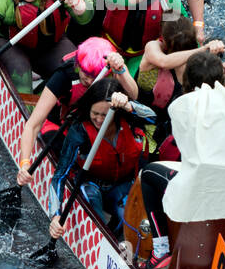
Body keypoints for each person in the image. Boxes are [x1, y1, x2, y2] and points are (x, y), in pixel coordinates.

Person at [137, 53, 225, 269]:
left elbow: (185, 146)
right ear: (222, 79)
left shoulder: (180, 105)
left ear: (187, 80)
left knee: (148, 175)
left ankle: (161, 251)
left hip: (198, 191)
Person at [16, 35, 138, 183]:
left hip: (97, 124)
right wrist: (24, 164)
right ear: (78, 65)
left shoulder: (113, 71)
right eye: (86, 76)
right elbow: (33, 124)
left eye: (95, 77)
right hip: (65, 125)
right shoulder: (65, 74)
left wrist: (121, 70)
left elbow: (134, 96)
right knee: (61, 146)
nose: (90, 82)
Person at [47, 80, 156, 242]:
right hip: (91, 185)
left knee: (134, 223)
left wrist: (128, 105)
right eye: (94, 113)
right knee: (90, 197)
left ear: (116, 112)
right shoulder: (79, 131)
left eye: (104, 115)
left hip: (122, 185)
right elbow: (59, 176)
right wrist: (55, 216)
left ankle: (118, 240)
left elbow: (153, 117)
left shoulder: (128, 119)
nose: (98, 119)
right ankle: (100, 238)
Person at [138, 19, 225, 158]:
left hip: (178, 129)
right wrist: (205, 49)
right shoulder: (153, 48)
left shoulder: (194, 63)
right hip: (149, 127)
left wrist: (218, 68)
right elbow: (164, 62)